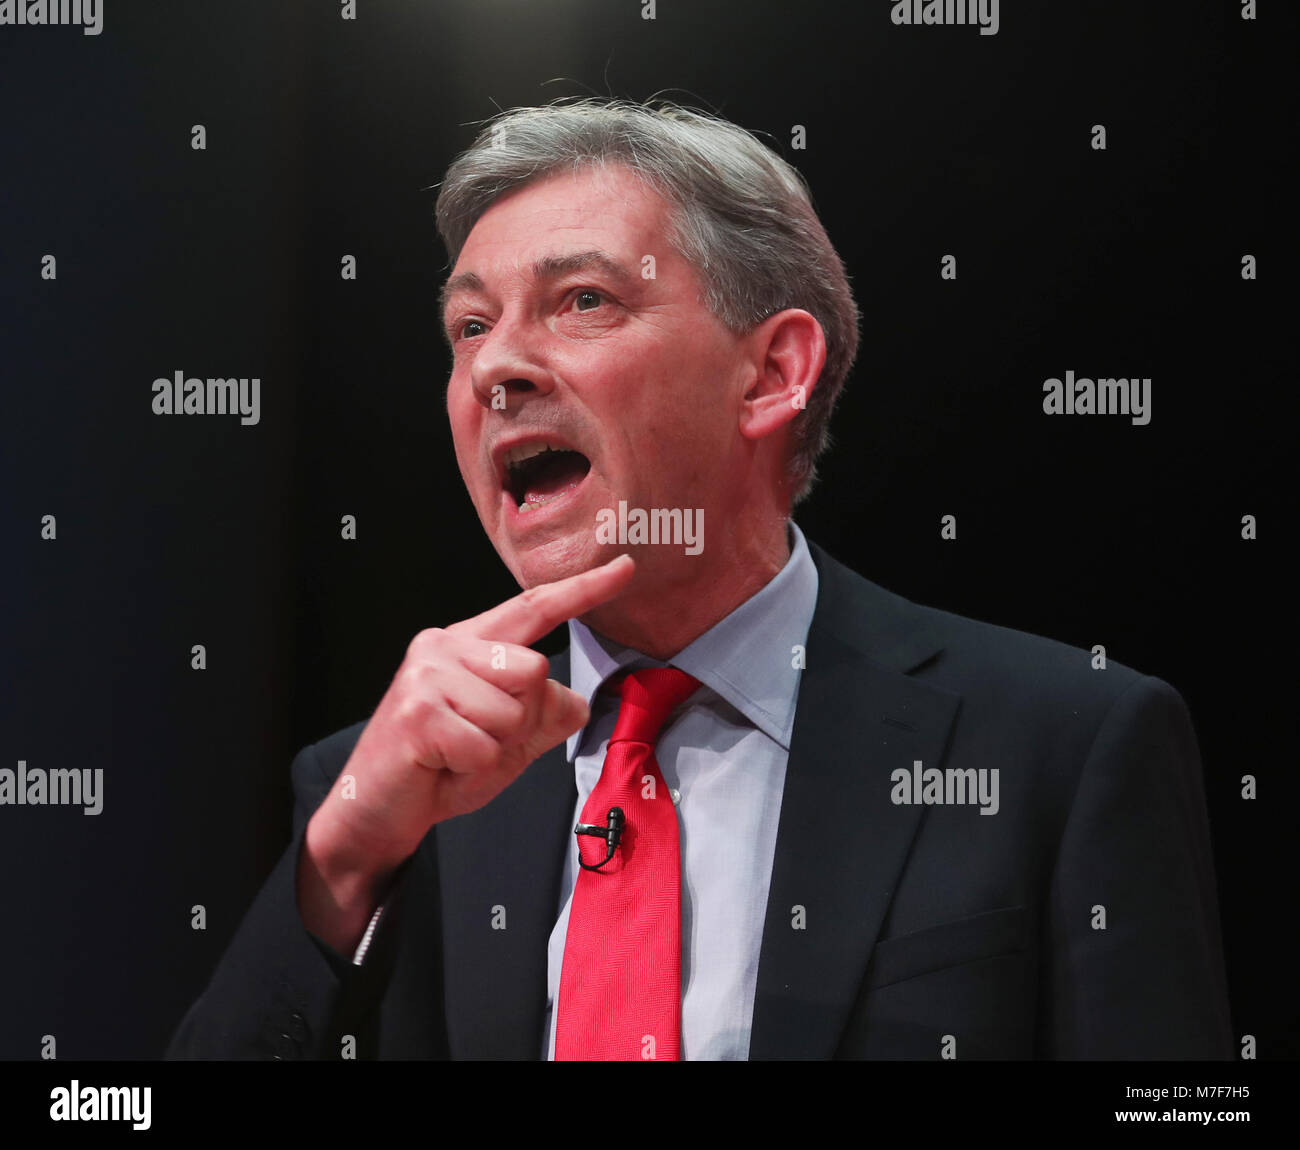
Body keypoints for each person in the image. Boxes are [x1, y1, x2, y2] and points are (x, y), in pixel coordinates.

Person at [166, 98, 1232, 1060]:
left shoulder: (1061, 745)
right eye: (470, 325)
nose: (494, 367)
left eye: (580, 300)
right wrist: (347, 856)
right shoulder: (385, 791)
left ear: (771, 373)